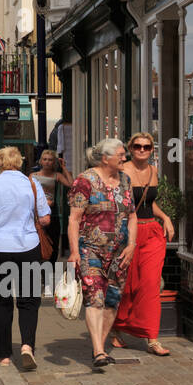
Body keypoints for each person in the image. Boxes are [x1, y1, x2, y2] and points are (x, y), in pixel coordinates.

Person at [0, 146, 51, 371]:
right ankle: (27, 346)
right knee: (28, 301)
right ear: (19, 162)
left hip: (0, 248)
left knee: (1, 301)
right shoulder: (32, 184)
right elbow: (46, 219)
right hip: (28, 247)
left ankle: (4, 354)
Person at [67, 137, 139, 371]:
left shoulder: (125, 181)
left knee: (112, 300)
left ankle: (100, 344)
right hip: (91, 249)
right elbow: (74, 219)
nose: (124, 157)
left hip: (119, 252)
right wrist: (75, 252)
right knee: (95, 298)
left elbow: (133, 215)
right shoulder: (85, 181)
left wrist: (131, 245)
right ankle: (98, 349)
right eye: (120, 154)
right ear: (105, 157)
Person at [111, 132, 176, 356]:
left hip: (152, 233)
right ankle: (117, 327)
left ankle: (152, 338)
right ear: (130, 148)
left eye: (146, 147)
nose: (142, 150)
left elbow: (150, 202)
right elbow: (120, 205)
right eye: (137, 146)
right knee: (128, 283)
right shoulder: (121, 172)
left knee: (150, 284)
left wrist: (165, 217)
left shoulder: (153, 171)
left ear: (151, 150)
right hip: (130, 233)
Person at [33, 149, 74, 264]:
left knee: (53, 244)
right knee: (37, 243)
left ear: (54, 162)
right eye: (45, 159)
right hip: (36, 215)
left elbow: (71, 185)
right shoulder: (33, 176)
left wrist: (64, 168)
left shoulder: (57, 175)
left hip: (53, 214)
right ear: (40, 161)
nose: (47, 162)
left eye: (50, 160)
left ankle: (49, 271)